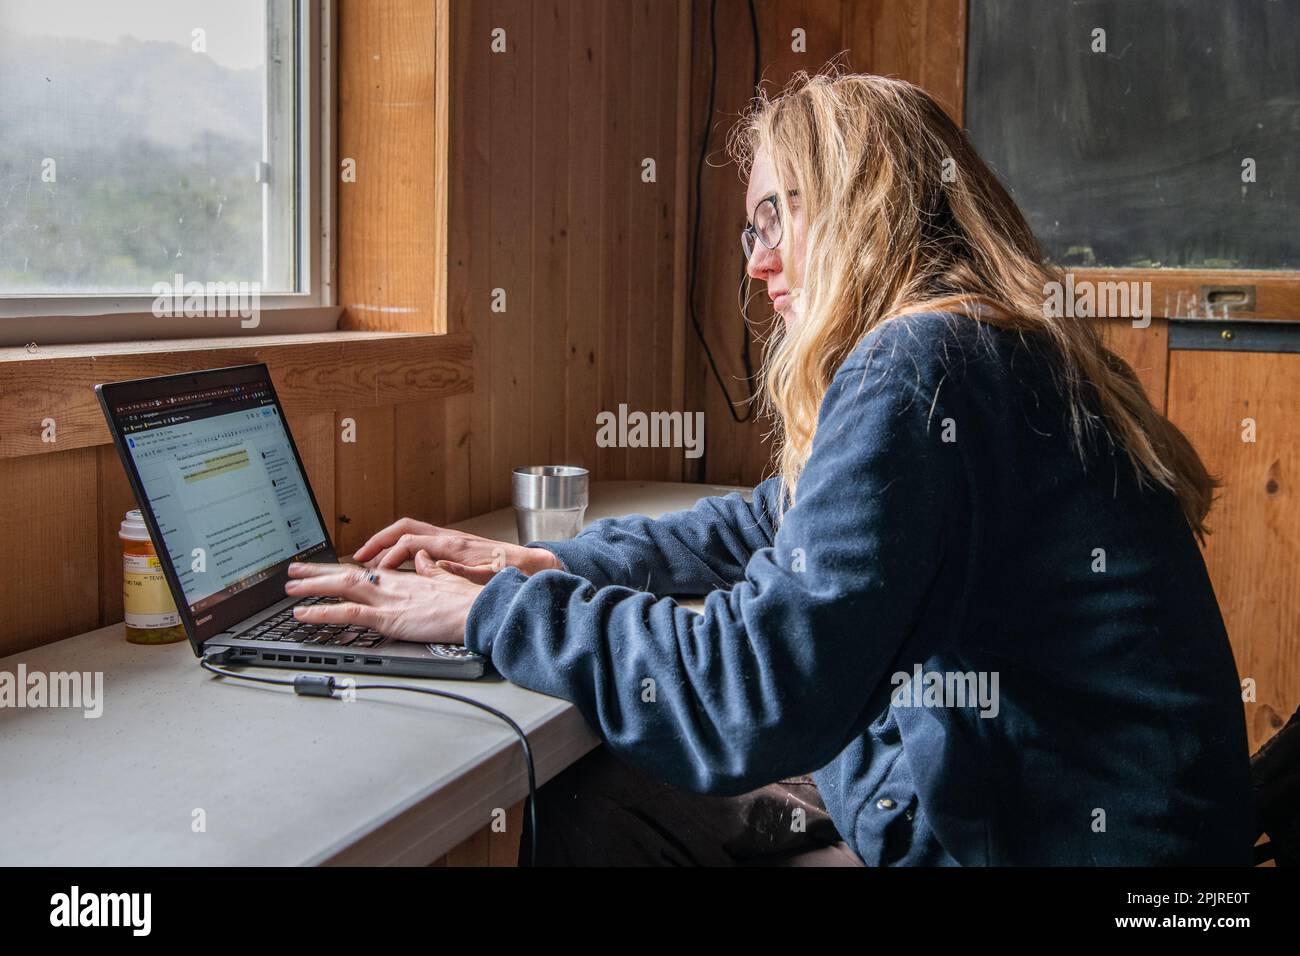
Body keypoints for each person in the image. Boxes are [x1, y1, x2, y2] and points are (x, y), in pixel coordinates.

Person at [284, 72, 1255, 866]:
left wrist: (487, 614)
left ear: (855, 210)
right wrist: (558, 566)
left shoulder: (922, 361)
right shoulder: (1001, 344)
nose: (755, 265)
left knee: (585, 810)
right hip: (1091, 828)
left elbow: (754, 694)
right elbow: (773, 519)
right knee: (613, 783)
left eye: (772, 219)